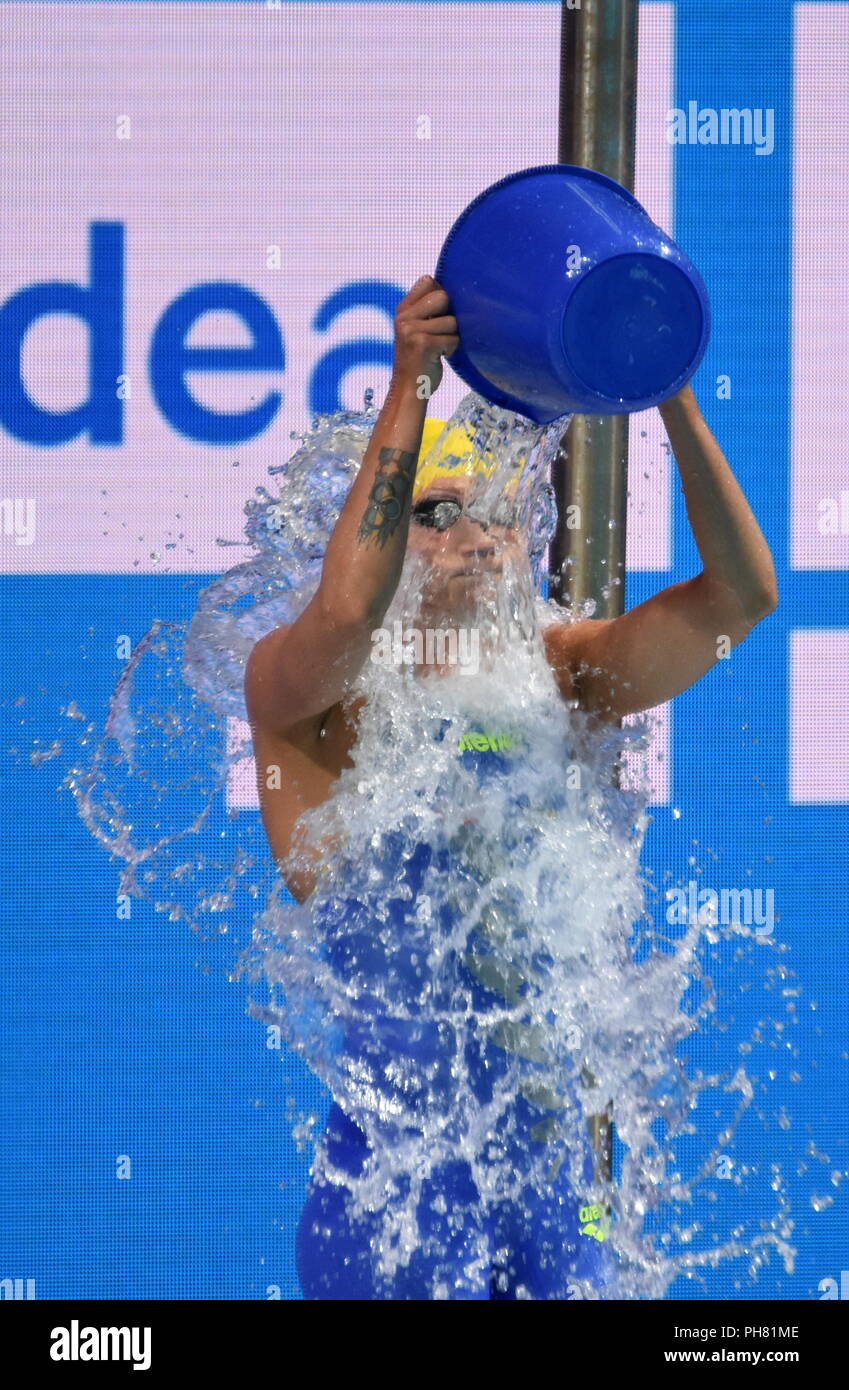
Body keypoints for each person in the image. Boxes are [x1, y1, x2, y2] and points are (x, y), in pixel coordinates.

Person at [243, 274, 778, 1299]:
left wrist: (673, 395)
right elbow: (350, 613)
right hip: (392, 1195)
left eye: (494, 513)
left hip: (560, 1181)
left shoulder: (563, 671)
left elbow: (742, 595)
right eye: (437, 514)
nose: (476, 537)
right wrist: (410, 384)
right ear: (385, 531)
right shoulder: (306, 698)